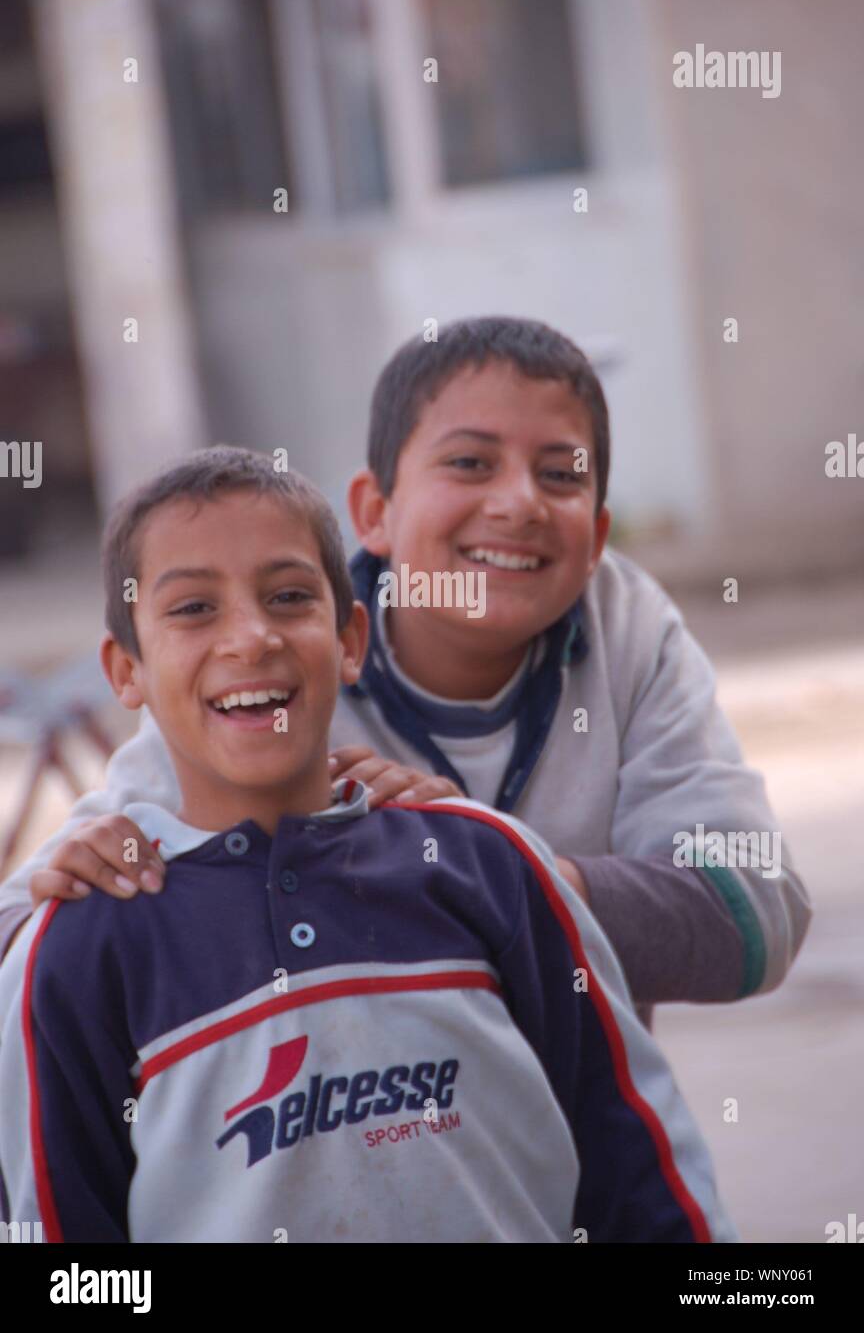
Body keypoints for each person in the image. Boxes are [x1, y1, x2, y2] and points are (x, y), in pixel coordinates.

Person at [0, 449, 735, 1242]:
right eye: (192, 610)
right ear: (126, 671)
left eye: (287, 597)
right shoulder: (81, 948)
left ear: (350, 639)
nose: (250, 638)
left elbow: (640, 1177)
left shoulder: (491, 868)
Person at [0, 318, 811, 1017]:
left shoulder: (626, 625)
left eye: (560, 475)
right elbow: (23, 936)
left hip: (577, 1172)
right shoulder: (275, 670)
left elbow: (758, 911)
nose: (520, 503)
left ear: (597, 537)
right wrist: (68, 903)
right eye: (470, 463)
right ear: (374, 513)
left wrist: (488, 868)